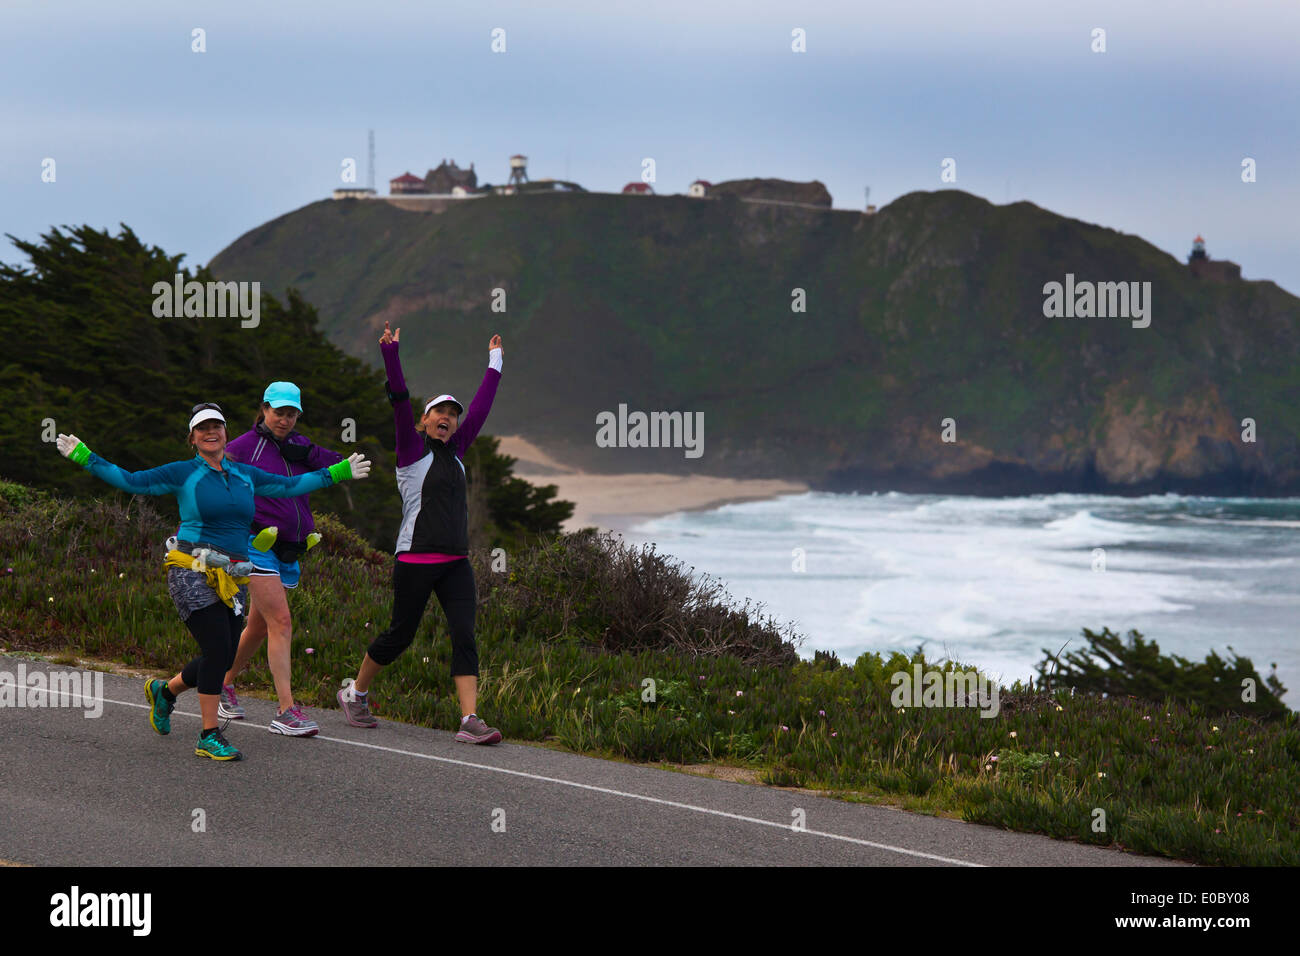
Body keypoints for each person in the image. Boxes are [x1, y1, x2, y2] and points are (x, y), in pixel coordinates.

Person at [55, 403, 370, 760]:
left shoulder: (244, 475)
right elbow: (132, 480)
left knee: (220, 654)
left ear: (225, 432)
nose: (211, 432)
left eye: (216, 426)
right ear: (192, 437)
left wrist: (338, 472)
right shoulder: (183, 473)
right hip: (189, 568)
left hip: (230, 577)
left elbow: (290, 485)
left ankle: (166, 691)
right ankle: (208, 734)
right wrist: (85, 456)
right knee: (219, 651)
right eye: (202, 427)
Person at [337, 323, 503, 744]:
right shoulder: (411, 454)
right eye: (439, 413)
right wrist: (391, 355)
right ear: (425, 421)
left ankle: (469, 720)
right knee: (400, 635)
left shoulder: (458, 455)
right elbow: (398, 400)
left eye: (452, 415)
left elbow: (480, 410)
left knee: (464, 634)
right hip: (414, 560)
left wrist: (495, 363)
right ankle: (356, 693)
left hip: (455, 562)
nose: (448, 418)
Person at [218, 382, 347, 736]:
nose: (285, 420)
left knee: (259, 626)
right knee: (282, 621)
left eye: (292, 414)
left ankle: (220, 683)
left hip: (289, 549)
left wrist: (312, 455)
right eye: (279, 412)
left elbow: (335, 465)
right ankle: (286, 710)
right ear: (264, 409)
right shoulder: (243, 447)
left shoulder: (298, 445)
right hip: (254, 544)